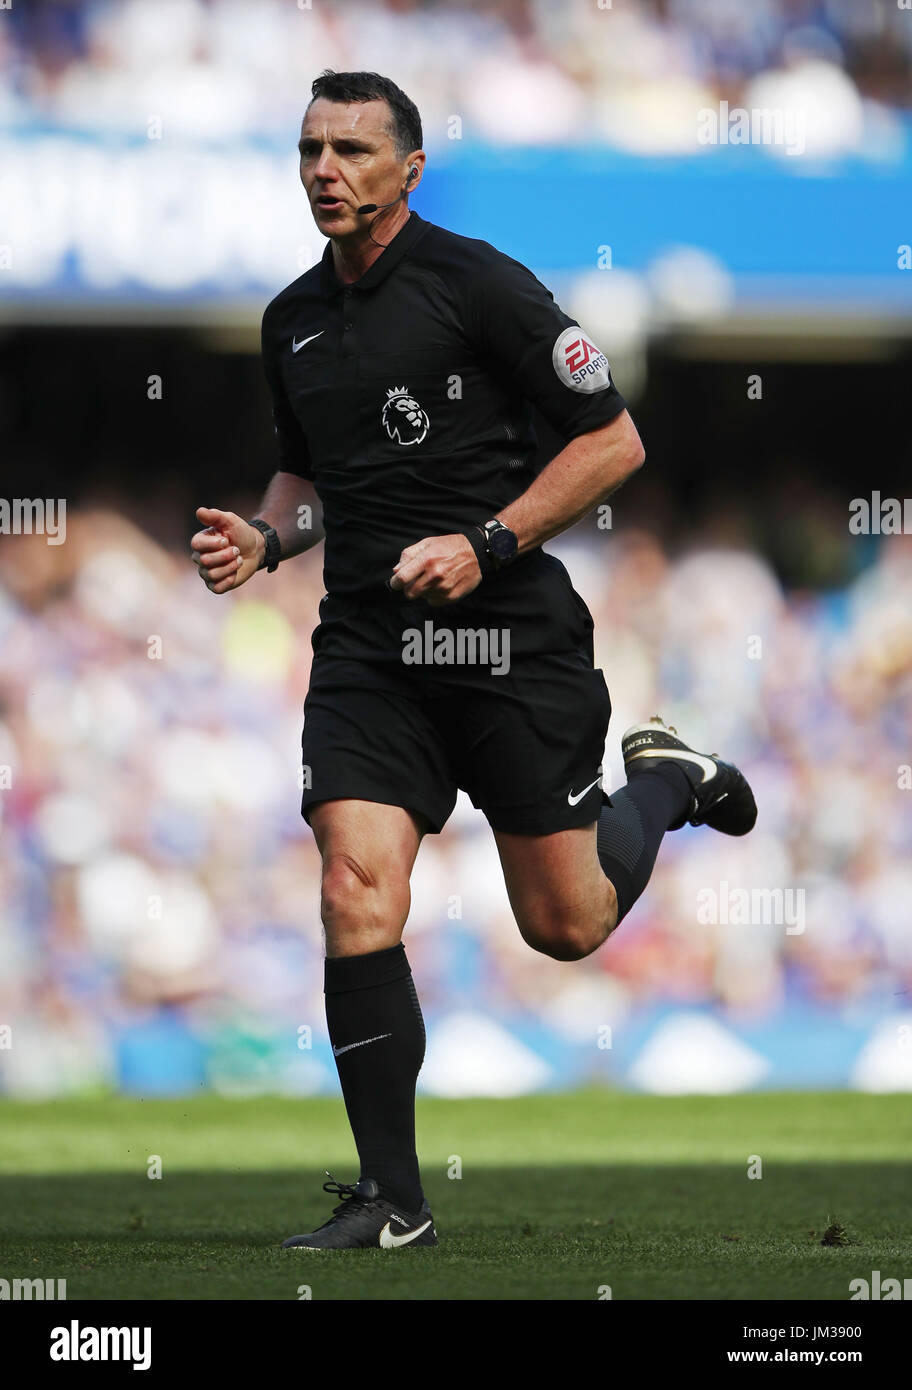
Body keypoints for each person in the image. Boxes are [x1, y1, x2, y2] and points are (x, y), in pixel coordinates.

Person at [190, 70, 756, 1250]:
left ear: (408, 168)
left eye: (350, 148)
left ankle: (667, 778)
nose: (324, 170)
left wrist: (488, 541)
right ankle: (393, 1202)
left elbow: (615, 442)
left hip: (506, 641)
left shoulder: (478, 285)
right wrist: (265, 535)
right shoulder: (290, 318)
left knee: (568, 924)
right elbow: (308, 481)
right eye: (308, 150)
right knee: (355, 887)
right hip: (367, 648)